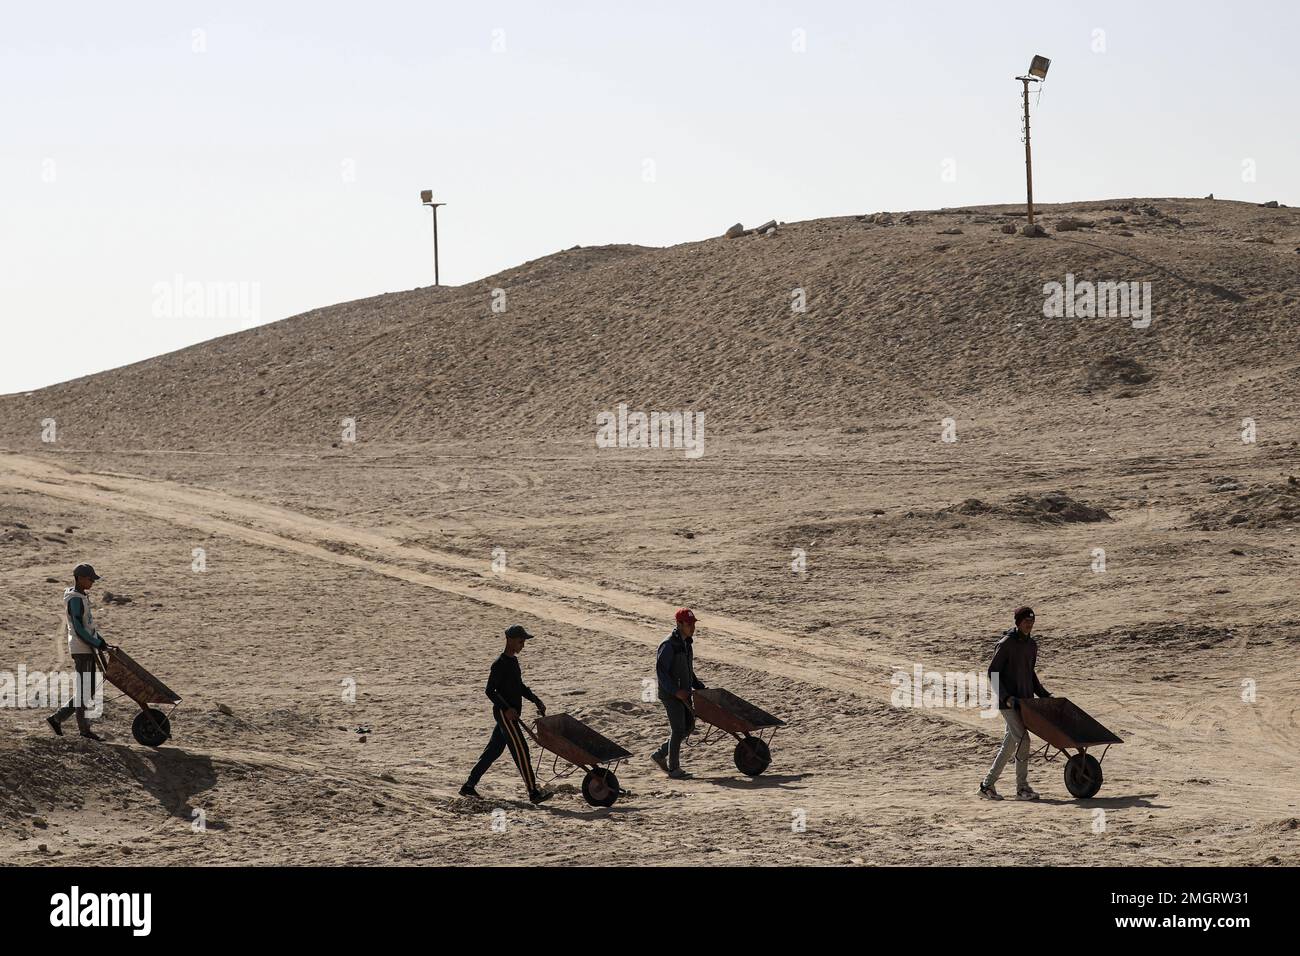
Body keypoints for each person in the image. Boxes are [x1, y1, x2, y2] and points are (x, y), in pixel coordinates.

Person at [460, 625, 552, 804]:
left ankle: (469, 786)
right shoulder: (499, 664)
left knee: (493, 750)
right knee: (521, 750)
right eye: (520, 641)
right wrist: (506, 709)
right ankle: (533, 792)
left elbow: (519, 686)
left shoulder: (513, 662)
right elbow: (489, 691)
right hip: (505, 715)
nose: (522, 645)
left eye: (524, 641)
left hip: (511, 714)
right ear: (509, 640)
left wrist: (535, 699)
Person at [979, 606, 1052, 801]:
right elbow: (992, 673)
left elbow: (1030, 673)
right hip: (1009, 704)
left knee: (1010, 745)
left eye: (1032, 621)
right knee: (1024, 741)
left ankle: (987, 785)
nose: (1029, 624)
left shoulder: (1031, 645)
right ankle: (1022, 788)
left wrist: (1043, 694)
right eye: (1026, 621)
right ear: (1018, 622)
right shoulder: (1006, 644)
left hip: (1025, 703)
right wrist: (1005, 697)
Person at [48, 563, 112, 741]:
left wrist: (101, 641)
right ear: (80, 578)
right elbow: (78, 628)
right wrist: (95, 642)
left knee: (88, 689)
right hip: (82, 649)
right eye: (90, 579)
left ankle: (57, 719)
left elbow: (87, 625)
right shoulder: (75, 599)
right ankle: (84, 731)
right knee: (85, 690)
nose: (93, 581)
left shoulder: (81, 596)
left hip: (87, 647)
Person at [650, 608, 706, 779]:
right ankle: (674, 769)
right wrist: (675, 691)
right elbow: (661, 673)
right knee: (678, 729)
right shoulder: (668, 645)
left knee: (688, 727)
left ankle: (660, 755)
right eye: (689, 624)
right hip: (670, 695)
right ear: (679, 624)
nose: (692, 627)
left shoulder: (687, 643)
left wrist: (699, 686)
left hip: (684, 693)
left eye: (693, 624)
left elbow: (688, 669)